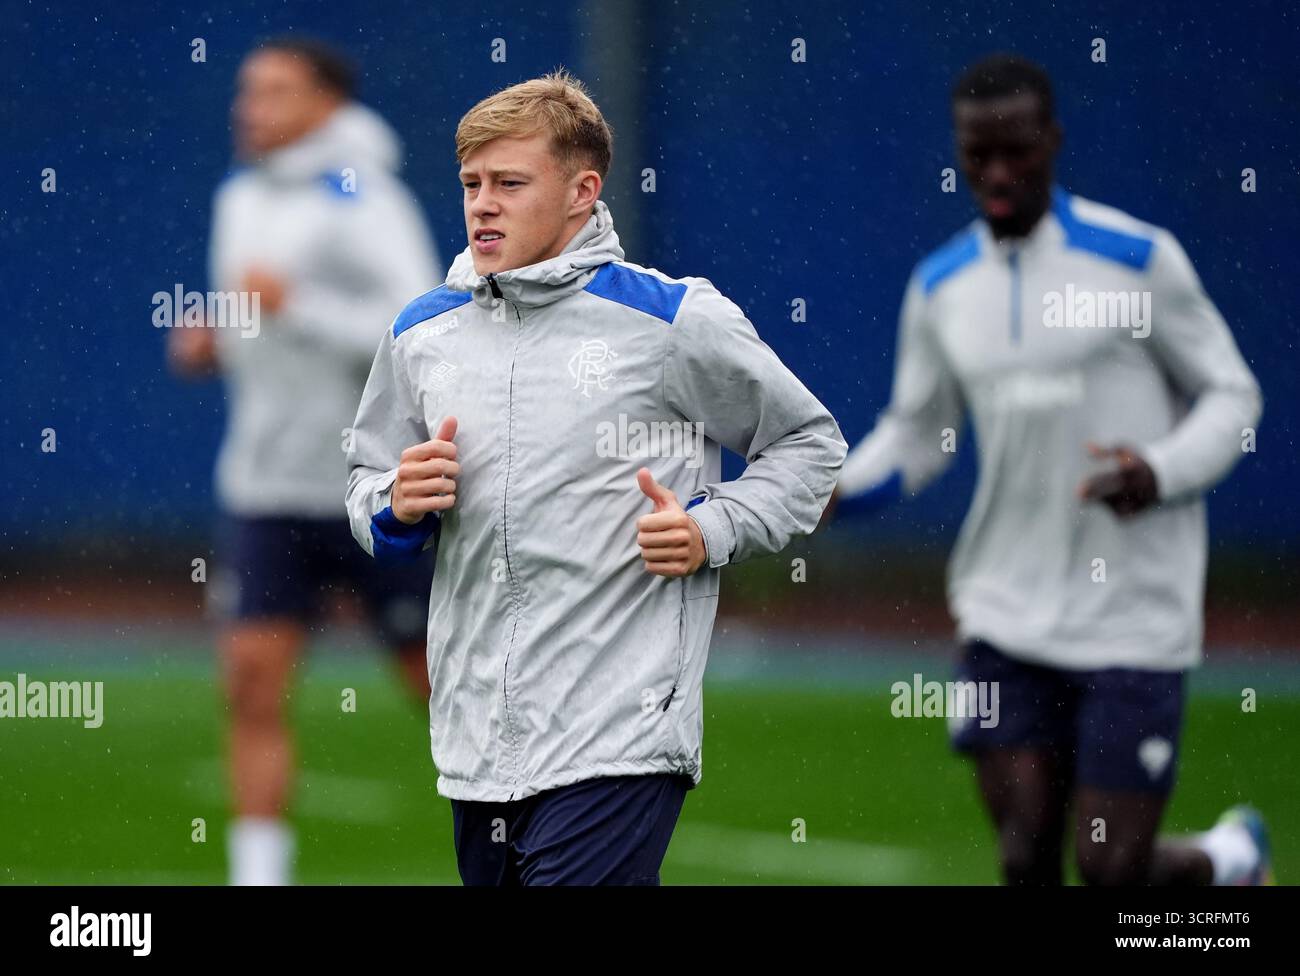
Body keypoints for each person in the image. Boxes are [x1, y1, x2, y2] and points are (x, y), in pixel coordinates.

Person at [345, 69, 846, 886]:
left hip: (621, 729)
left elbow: (810, 446)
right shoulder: (423, 330)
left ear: (583, 191)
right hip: (477, 737)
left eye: (510, 182)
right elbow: (367, 480)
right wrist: (396, 504)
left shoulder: (671, 319)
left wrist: (711, 528)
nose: (482, 203)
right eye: (471, 183)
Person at [832, 54, 1269, 885]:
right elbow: (918, 434)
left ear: (1054, 142)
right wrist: (835, 490)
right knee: (1026, 854)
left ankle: (1225, 864)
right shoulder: (941, 286)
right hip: (1005, 608)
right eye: (978, 156)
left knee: (1109, 871)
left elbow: (1232, 394)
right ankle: (1226, 864)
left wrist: (1160, 468)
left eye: (1017, 153)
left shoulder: (1137, 260)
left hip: (1133, 613)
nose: (997, 174)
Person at [168, 38, 443, 886]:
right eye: (248, 90)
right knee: (250, 685)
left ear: (326, 102)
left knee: (443, 692)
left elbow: (422, 322)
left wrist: (303, 310)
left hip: (374, 494)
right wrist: (219, 337)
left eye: (275, 91)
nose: (250, 106)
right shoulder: (240, 195)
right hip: (265, 489)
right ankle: (258, 879)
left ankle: (534, 846)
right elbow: (256, 310)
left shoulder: (362, 192)